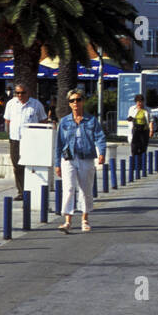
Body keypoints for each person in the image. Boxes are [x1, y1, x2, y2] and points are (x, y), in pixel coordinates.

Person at [54, 88, 107, 233]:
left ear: (83, 101)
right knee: (69, 188)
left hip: (86, 158)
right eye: (72, 100)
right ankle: (67, 221)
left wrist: (101, 152)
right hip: (68, 158)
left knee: (85, 189)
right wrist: (57, 164)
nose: (75, 103)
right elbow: (59, 144)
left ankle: (85, 219)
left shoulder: (91, 120)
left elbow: (100, 137)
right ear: (69, 104)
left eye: (78, 100)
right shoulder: (64, 122)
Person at [4, 82, 47, 198]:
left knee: (30, 166)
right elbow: (7, 121)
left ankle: (31, 190)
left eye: (22, 93)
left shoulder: (36, 104)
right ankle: (21, 191)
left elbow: (43, 121)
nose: (20, 95)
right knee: (17, 166)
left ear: (28, 93)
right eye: (17, 93)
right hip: (15, 139)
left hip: (31, 141)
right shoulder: (11, 104)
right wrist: (9, 135)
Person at [127, 94, 150, 161]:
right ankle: (134, 165)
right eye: (138, 102)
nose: (139, 103)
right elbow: (129, 117)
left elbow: (151, 120)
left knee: (143, 149)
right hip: (135, 130)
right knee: (134, 149)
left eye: (141, 101)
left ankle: (142, 165)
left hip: (144, 131)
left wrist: (151, 130)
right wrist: (130, 119)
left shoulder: (147, 110)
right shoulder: (132, 109)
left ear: (143, 102)